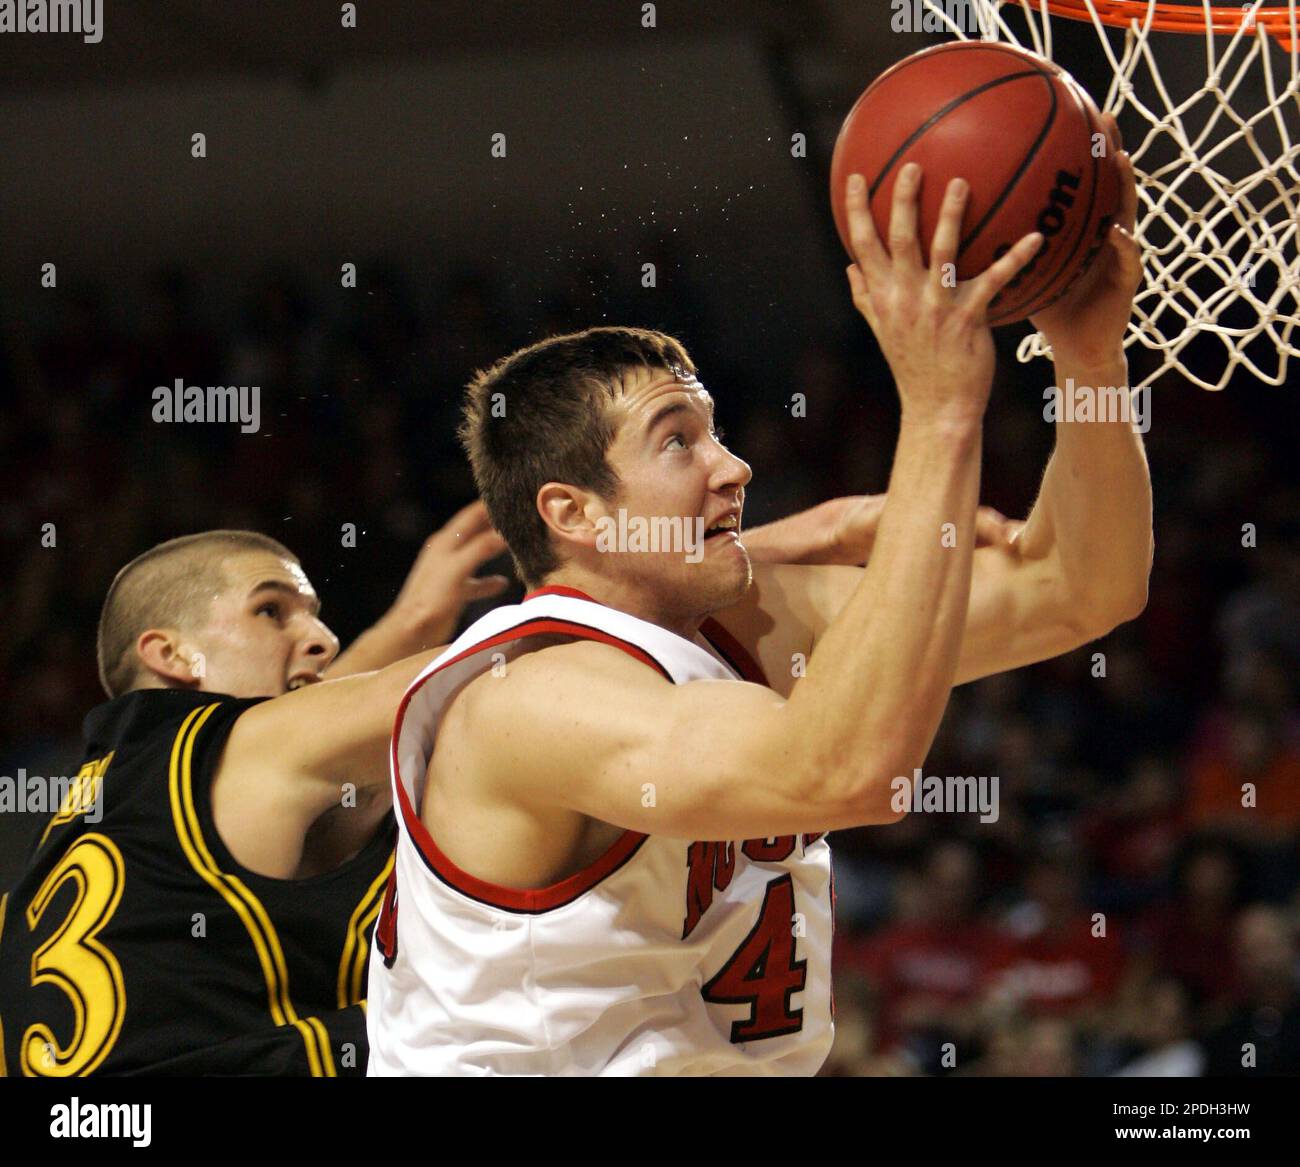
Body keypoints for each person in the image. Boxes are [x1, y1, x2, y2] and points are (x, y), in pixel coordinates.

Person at [367, 119, 1154, 1075]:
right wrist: (943, 408)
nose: (734, 467)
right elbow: (846, 773)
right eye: (676, 442)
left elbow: (1080, 590)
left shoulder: (754, 621)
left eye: (717, 432)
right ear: (574, 512)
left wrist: (1091, 363)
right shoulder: (533, 700)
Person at [0, 503, 508, 1076]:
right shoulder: (233, 748)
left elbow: (310, 724)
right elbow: (490, 680)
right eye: (271, 610)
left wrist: (416, 617)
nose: (325, 639)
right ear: (169, 655)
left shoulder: (121, 789)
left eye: (313, 615)